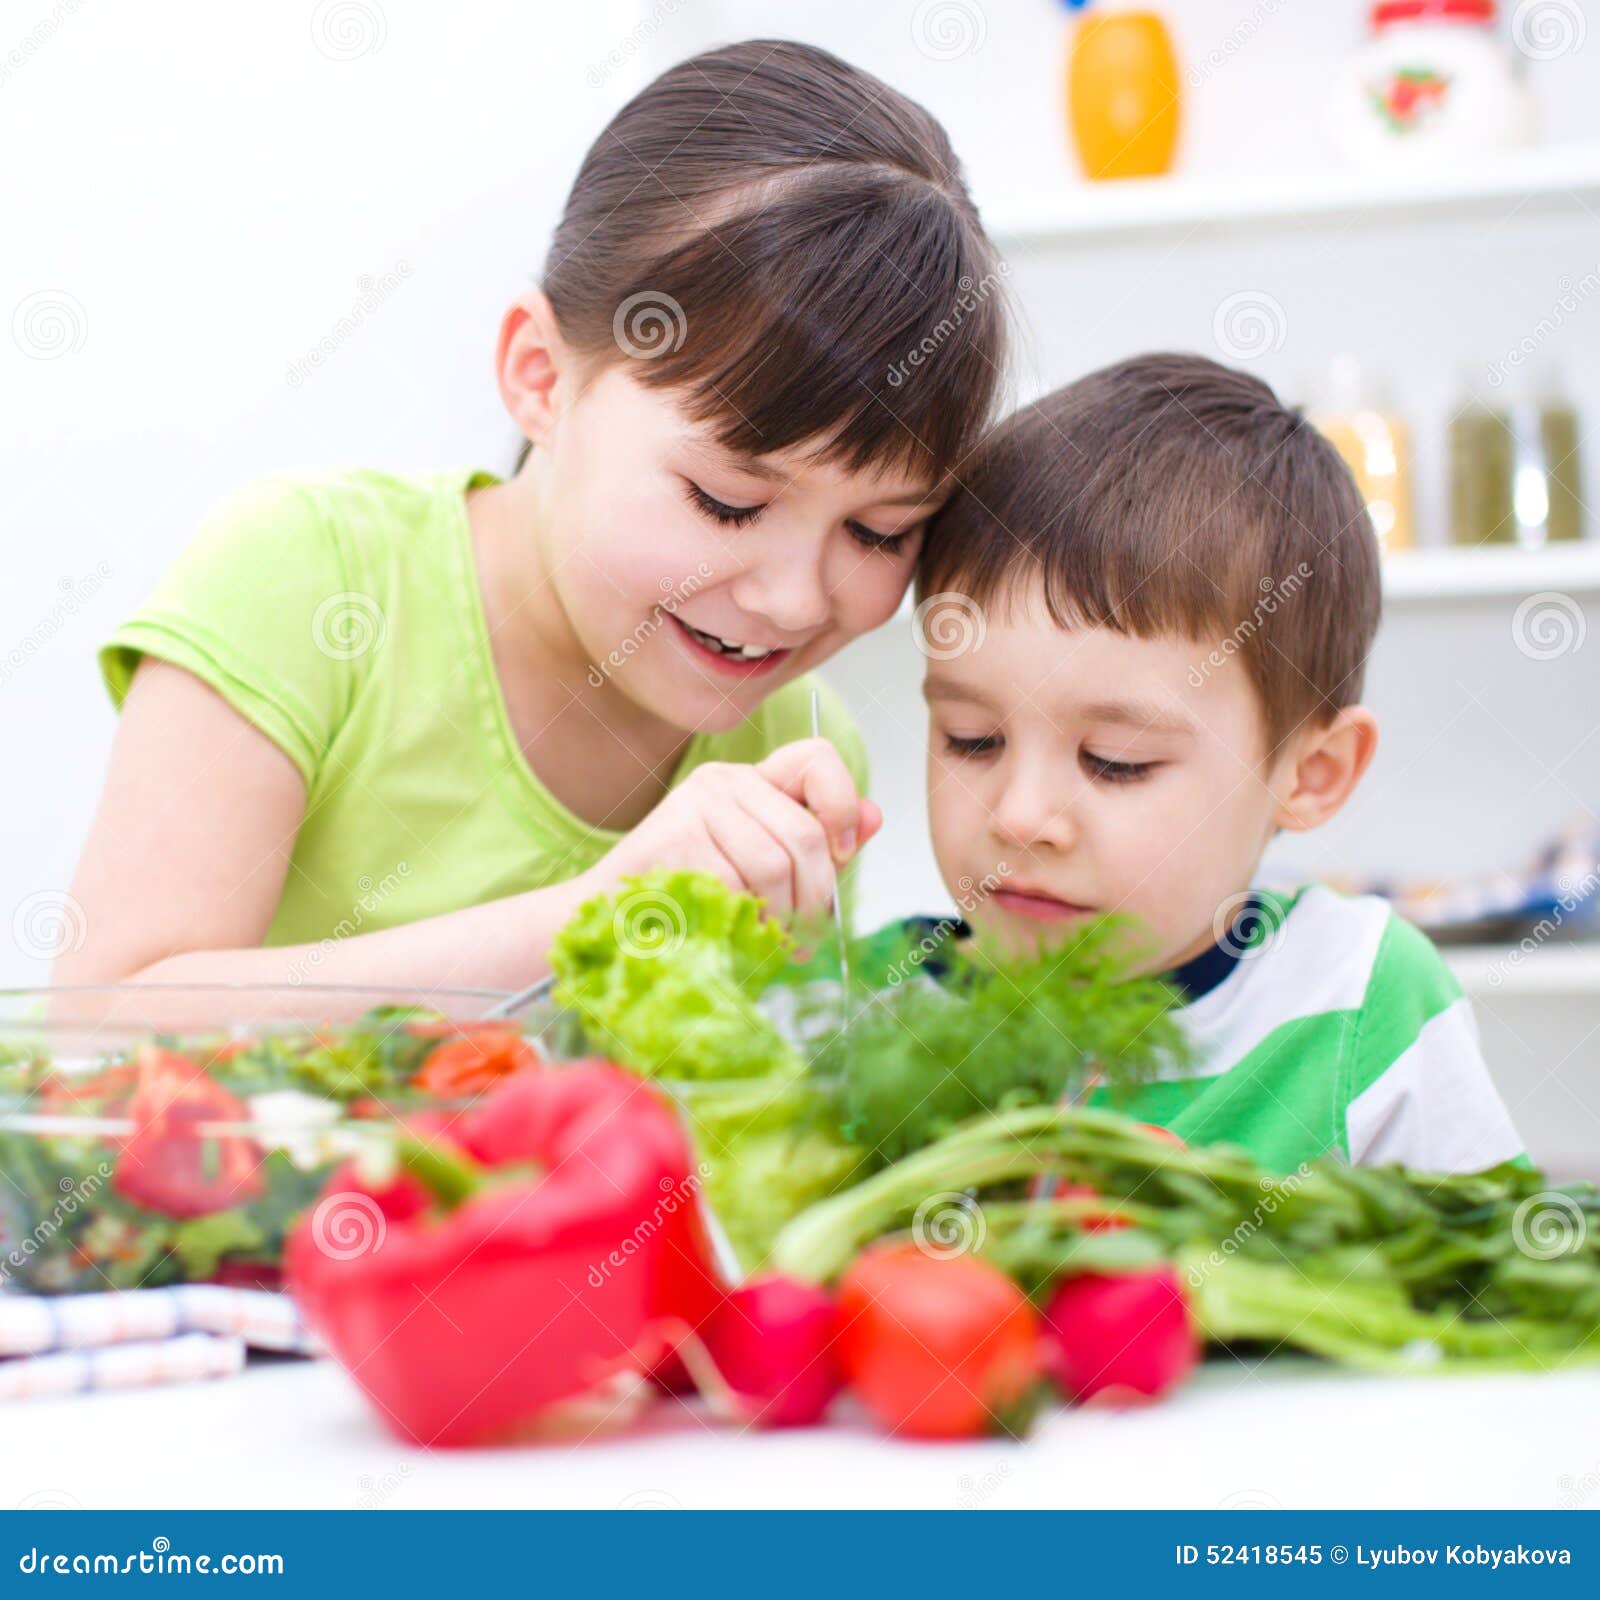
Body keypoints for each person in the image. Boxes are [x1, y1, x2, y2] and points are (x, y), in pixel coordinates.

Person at [59, 40, 1007, 1004]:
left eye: (881, 532)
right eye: (728, 502)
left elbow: (725, 1133)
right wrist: (590, 919)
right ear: (542, 379)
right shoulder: (305, 575)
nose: (794, 598)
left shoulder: (801, 757)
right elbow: (100, 1023)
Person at [878, 352, 1523, 1173]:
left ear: (1311, 773)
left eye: (1116, 762)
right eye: (972, 738)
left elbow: (1496, 1286)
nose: (1017, 816)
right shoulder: (869, 1002)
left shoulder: (1357, 996)